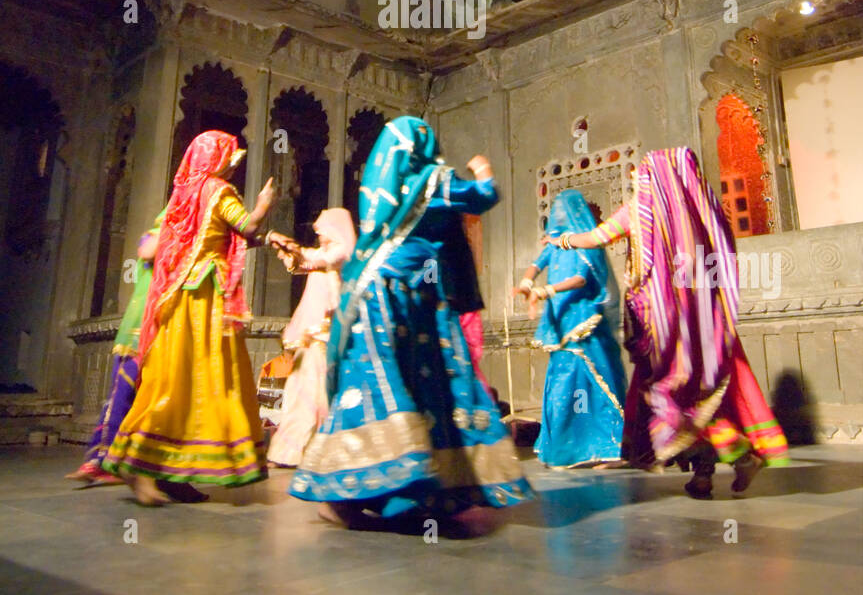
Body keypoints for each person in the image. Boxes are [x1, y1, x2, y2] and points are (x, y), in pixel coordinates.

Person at [287, 116, 533, 528]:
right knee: (404, 387)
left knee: (379, 385)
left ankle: (379, 492)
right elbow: (484, 196)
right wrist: (482, 167)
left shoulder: (382, 193)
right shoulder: (433, 180)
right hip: (406, 299)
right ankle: (360, 495)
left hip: (375, 294)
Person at [544, 147, 788, 497]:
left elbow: (597, 237)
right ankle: (709, 472)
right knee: (697, 398)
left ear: (652, 177)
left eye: (640, 172)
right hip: (697, 329)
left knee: (672, 400)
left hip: (657, 330)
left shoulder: (640, 211)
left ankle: (733, 457)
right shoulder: (698, 216)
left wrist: (561, 240)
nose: (635, 177)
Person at [104, 131, 275, 505]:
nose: (232, 166)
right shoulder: (219, 191)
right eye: (229, 159)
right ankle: (140, 463)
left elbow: (223, 234)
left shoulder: (183, 195)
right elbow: (245, 227)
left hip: (178, 298)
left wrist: (272, 237)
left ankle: (172, 472)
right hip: (203, 300)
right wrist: (264, 205)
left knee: (174, 381)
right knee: (197, 382)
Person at [514, 189, 626, 468]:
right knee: (561, 379)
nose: (558, 215)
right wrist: (527, 285)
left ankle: (610, 446)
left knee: (592, 378)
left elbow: (580, 279)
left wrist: (546, 290)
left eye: (563, 210)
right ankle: (567, 447)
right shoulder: (554, 244)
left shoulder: (586, 241)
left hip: (585, 322)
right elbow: (534, 265)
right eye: (556, 210)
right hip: (559, 320)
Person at [66, 209, 166, 485]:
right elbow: (148, 250)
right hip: (135, 335)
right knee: (120, 397)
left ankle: (127, 463)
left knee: (148, 405)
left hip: (164, 336)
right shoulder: (156, 236)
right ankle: (101, 460)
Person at [266, 208, 356, 467]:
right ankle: (290, 451)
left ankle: (323, 450)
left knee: (323, 392)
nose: (321, 237)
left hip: (330, 333)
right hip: (313, 335)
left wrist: (297, 250)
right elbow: (304, 263)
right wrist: (287, 251)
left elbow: (321, 259)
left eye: (324, 232)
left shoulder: (343, 252)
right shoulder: (324, 254)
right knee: (301, 388)